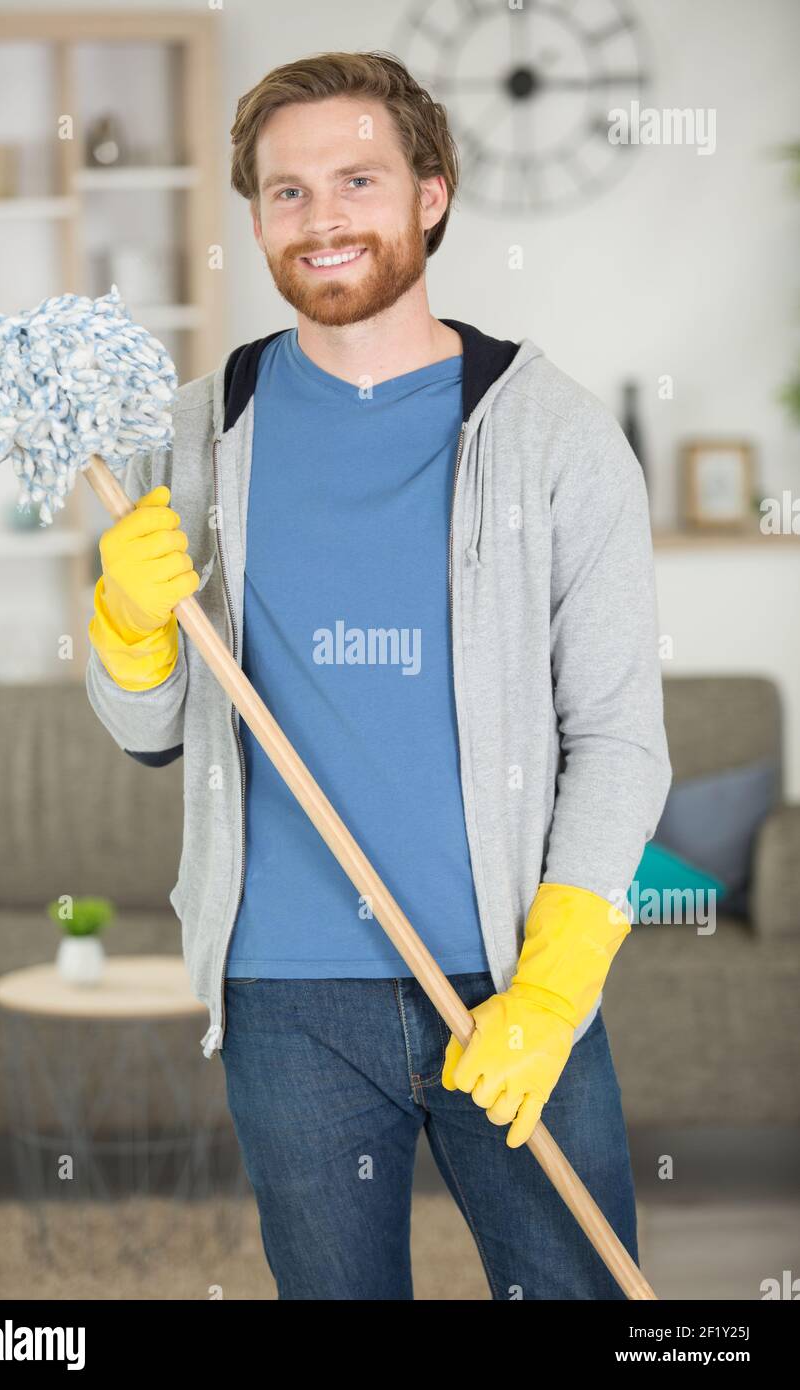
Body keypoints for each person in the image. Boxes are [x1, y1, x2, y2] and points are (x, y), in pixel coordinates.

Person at [85, 50, 672, 1300]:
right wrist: (128, 625)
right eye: (286, 192)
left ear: (431, 195)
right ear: (253, 219)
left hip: (508, 982)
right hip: (283, 992)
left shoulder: (553, 436)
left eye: (357, 178)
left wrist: (555, 980)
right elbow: (150, 732)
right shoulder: (202, 428)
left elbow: (617, 738)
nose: (322, 217)